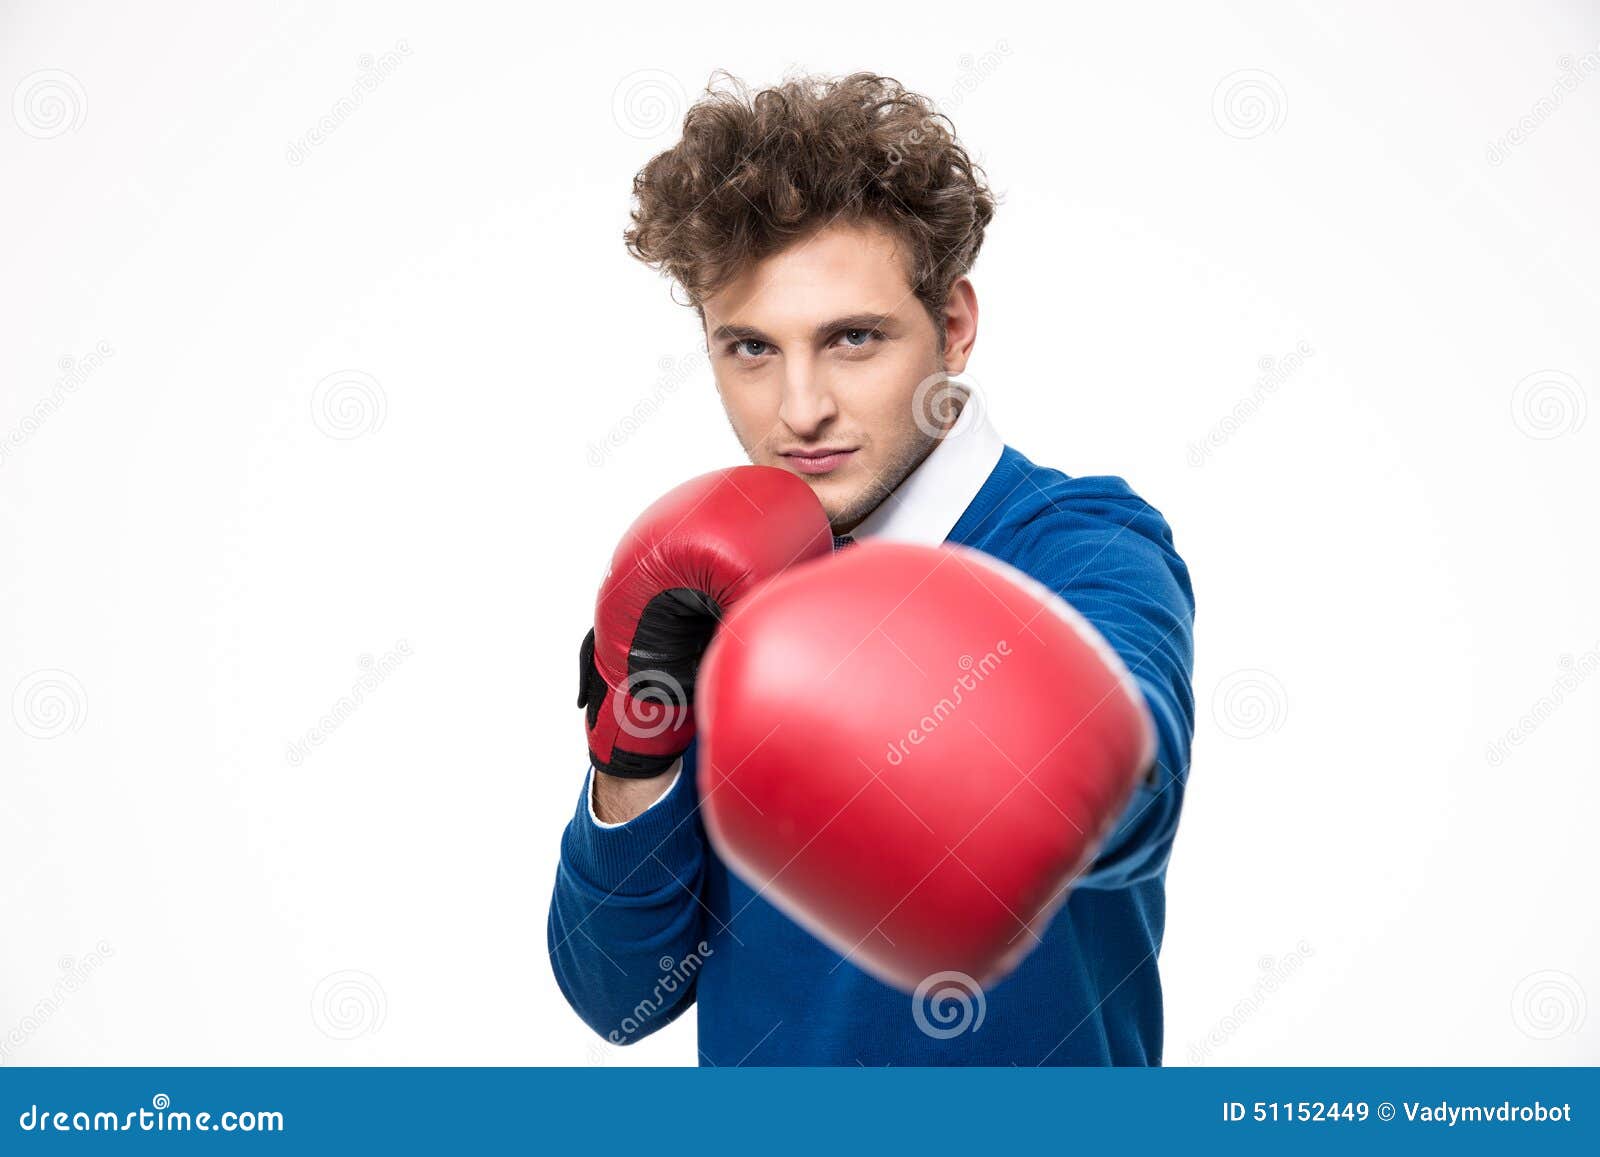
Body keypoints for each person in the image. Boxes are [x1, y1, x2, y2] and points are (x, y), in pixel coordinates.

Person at [548, 72, 1195, 1065]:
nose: (799, 408)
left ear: (955, 326)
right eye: (751, 348)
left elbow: (1128, 799)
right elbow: (616, 996)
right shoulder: (714, 579)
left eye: (852, 339)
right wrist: (637, 751)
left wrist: (877, 679)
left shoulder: (1079, 542)